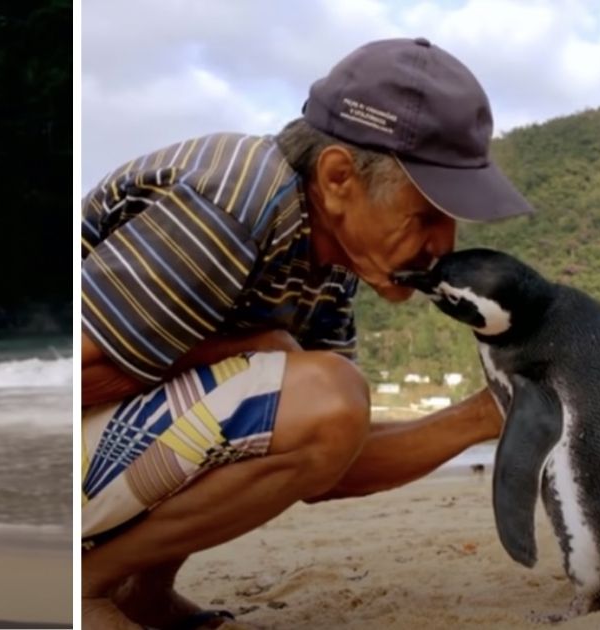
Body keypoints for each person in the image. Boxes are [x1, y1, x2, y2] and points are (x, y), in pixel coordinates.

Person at [80, 37, 536, 630]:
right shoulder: (232, 202)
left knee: (322, 396)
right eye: (426, 214)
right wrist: (249, 350)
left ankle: (143, 591)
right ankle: (87, 590)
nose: (443, 245)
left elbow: (325, 458)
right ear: (340, 176)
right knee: (317, 388)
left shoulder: (329, 262)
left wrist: (489, 413)